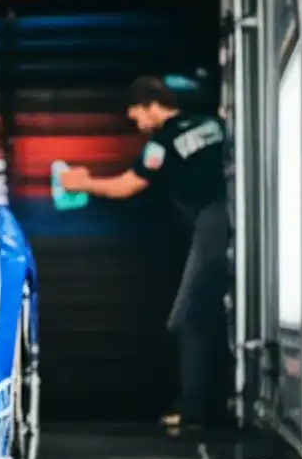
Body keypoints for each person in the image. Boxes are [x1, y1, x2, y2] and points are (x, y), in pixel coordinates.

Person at [59, 76, 231, 429]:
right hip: (240, 220)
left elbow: (128, 185)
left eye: (136, 116)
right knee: (216, 314)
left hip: (213, 223)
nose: (137, 125)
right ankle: (221, 400)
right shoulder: (213, 124)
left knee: (187, 317)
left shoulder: (161, 142)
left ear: (152, 106)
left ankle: (194, 408)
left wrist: (82, 183)